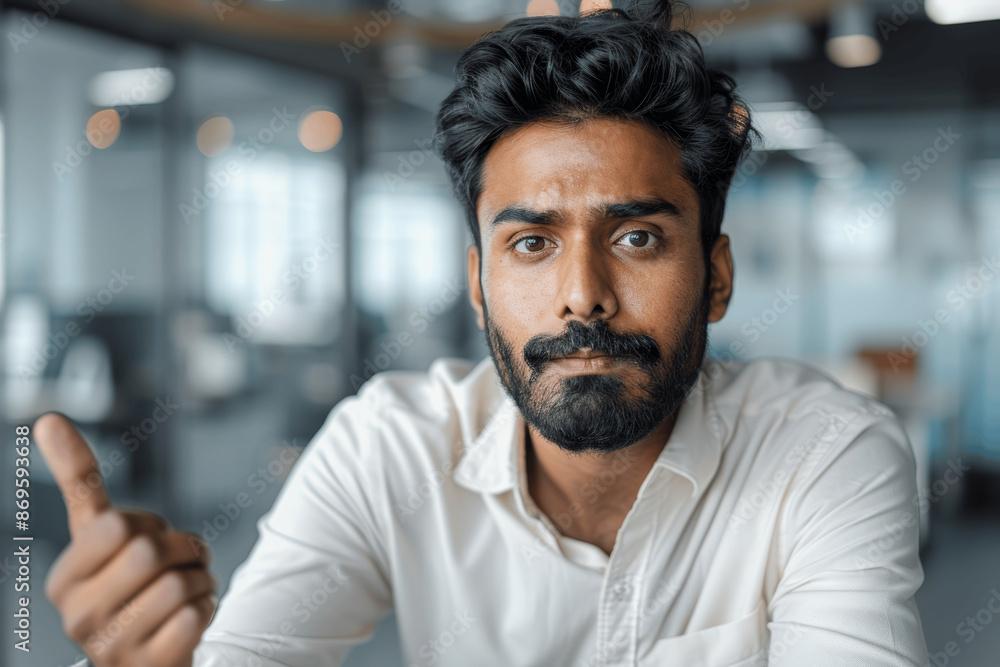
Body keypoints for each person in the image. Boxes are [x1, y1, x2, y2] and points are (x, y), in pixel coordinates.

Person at [37, 1, 931, 665]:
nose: (583, 296)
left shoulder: (827, 453)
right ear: (477, 284)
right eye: (532, 243)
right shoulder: (388, 447)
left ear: (718, 277)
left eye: (637, 237)